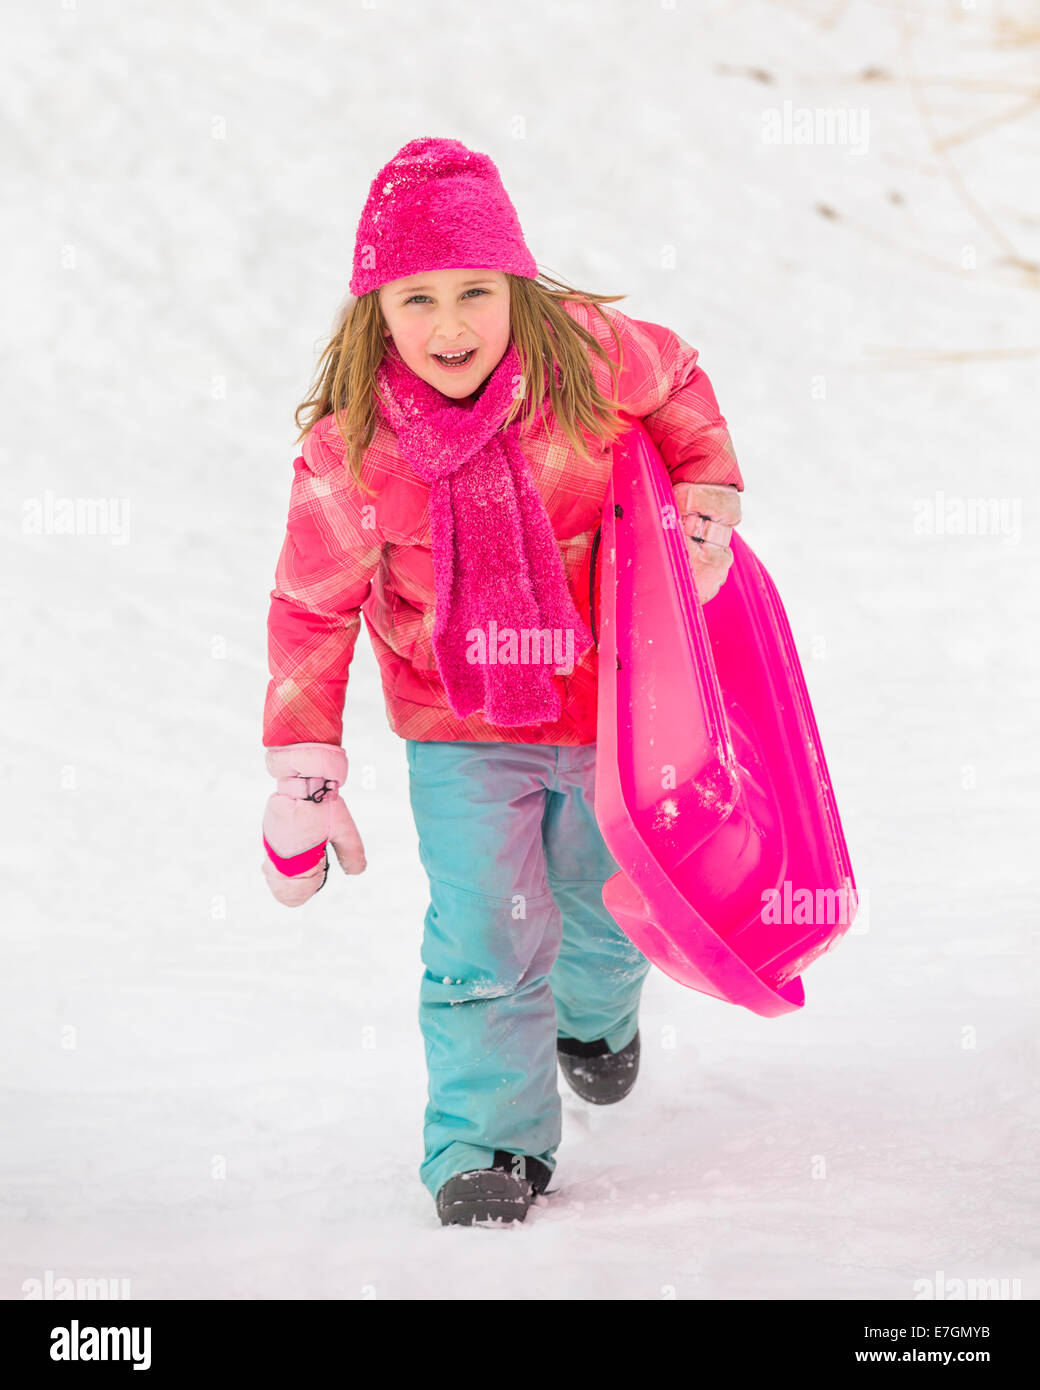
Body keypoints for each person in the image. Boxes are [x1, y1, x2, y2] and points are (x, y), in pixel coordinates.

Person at [260, 137, 745, 1227]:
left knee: (602, 907)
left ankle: (595, 1018)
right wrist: (303, 764)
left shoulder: (586, 359)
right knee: (484, 932)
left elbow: (677, 383)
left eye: (475, 290)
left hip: (616, 706)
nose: (449, 326)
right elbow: (311, 606)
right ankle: (487, 1144)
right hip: (456, 726)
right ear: (373, 308)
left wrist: (704, 487)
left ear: (515, 285)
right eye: (415, 297)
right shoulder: (358, 451)